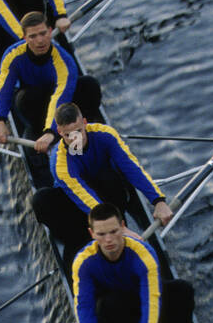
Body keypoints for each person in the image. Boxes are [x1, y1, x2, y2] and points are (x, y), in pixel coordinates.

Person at [33, 103, 173, 258]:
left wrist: (158, 200)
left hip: (106, 194)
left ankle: (115, 224)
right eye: (68, 135)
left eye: (78, 131)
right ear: (59, 132)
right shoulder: (59, 163)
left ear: (85, 123)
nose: (75, 140)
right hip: (78, 205)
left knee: (110, 177)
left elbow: (131, 167)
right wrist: (113, 227)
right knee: (41, 199)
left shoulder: (105, 134)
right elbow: (84, 197)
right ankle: (76, 241)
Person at [72, 203, 194, 323]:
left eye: (114, 231)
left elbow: (151, 301)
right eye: (101, 234)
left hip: (145, 302)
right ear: (92, 234)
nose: (109, 240)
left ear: (123, 227)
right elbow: (84, 306)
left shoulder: (144, 253)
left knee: (182, 289)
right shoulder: (83, 262)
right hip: (117, 312)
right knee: (109, 305)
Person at [0, 14, 100, 155]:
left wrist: (51, 132)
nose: (40, 41)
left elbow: (61, 98)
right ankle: (39, 138)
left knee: (89, 85)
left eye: (43, 33)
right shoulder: (12, 55)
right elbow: (3, 87)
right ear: (24, 38)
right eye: (33, 36)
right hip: (35, 107)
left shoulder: (64, 61)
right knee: (22, 100)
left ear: (50, 31)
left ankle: (83, 132)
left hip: (61, 106)